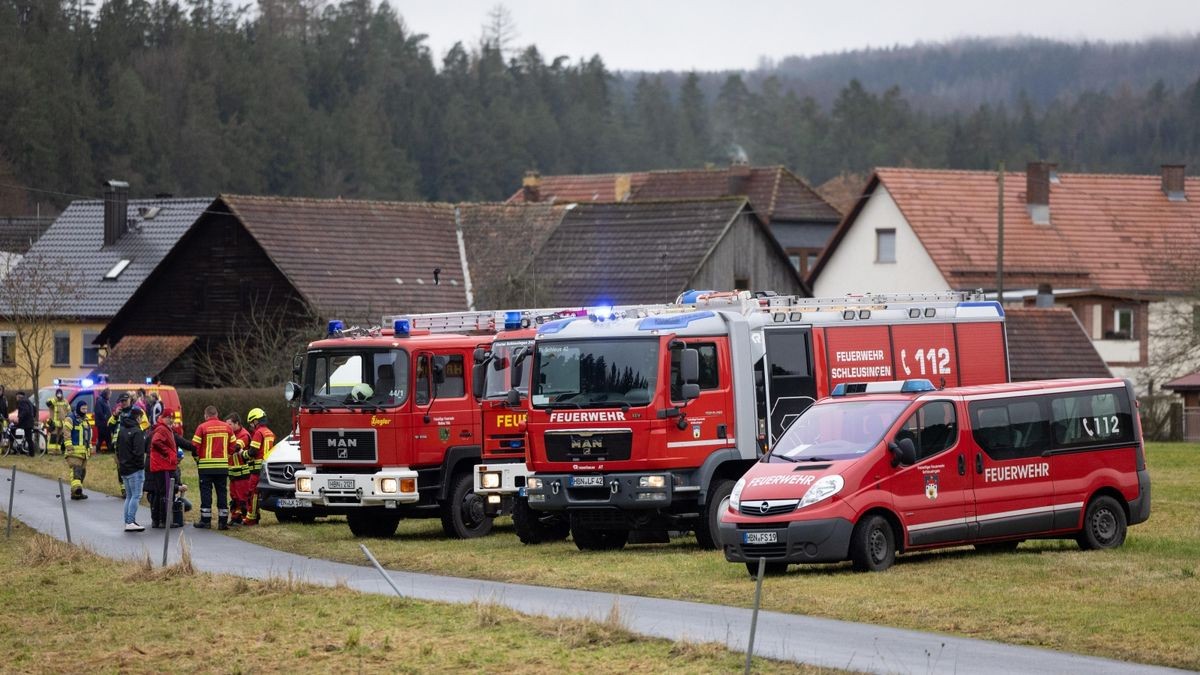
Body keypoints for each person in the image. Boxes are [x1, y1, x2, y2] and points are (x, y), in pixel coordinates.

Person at [191, 405, 232, 530]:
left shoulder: (202, 427)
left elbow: (194, 447)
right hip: (222, 467)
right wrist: (226, 457)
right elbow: (233, 446)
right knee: (222, 493)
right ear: (217, 414)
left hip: (206, 467)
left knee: (206, 494)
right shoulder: (227, 427)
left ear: (206, 415)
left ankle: (206, 521)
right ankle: (223, 522)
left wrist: (198, 460)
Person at [147, 407, 179, 529]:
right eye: (168, 417)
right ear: (163, 417)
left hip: (160, 465)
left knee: (159, 493)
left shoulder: (164, 428)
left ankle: (156, 520)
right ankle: (164, 520)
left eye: (172, 418)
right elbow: (156, 442)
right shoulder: (162, 429)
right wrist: (168, 453)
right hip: (163, 466)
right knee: (165, 494)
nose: (171, 420)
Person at [243, 407, 275, 526]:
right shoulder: (270, 433)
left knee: (253, 493)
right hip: (266, 468)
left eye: (251, 423)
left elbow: (253, 452)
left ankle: (252, 518)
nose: (251, 426)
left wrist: (243, 454)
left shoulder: (258, 433)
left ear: (256, 421)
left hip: (257, 468)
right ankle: (255, 515)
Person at [116, 408, 147, 532]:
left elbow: (117, 449)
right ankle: (130, 521)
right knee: (136, 495)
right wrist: (141, 467)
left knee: (129, 496)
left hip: (124, 468)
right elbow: (139, 453)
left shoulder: (122, 430)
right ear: (138, 417)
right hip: (135, 469)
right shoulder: (137, 432)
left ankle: (127, 521)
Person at [225, 413, 251, 526]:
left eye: (230, 424)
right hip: (233, 473)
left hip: (243, 474)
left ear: (237, 424)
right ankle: (235, 517)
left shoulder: (244, 435)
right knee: (234, 497)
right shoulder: (230, 434)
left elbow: (236, 447)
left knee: (243, 497)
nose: (227, 427)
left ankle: (245, 517)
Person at [64, 401, 91, 499]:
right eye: (83, 409)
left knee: (82, 472)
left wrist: (90, 448)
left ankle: (76, 493)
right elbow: (66, 433)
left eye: (86, 409)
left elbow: (88, 435)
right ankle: (76, 489)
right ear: (78, 408)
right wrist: (69, 446)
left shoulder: (86, 420)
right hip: (73, 451)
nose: (84, 411)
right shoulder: (70, 418)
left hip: (84, 452)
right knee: (76, 470)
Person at [46, 388, 70, 454]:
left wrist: (67, 419)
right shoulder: (53, 400)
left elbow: (68, 410)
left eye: (60, 393)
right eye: (58, 393)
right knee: (53, 436)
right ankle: (51, 451)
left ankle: (57, 450)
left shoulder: (65, 401)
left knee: (60, 437)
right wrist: (56, 398)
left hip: (62, 423)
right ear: (56, 394)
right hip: (54, 423)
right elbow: (48, 404)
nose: (59, 395)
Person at [14, 391, 36, 456]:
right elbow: (34, 409)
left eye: (16, 397)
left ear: (19, 396)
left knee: (28, 438)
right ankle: (23, 449)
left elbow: (25, 410)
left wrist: (19, 417)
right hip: (29, 421)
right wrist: (32, 416)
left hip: (26, 422)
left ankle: (31, 454)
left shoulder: (22, 401)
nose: (16, 398)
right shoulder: (27, 400)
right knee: (28, 437)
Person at [93, 389, 112, 454]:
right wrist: (105, 419)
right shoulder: (100, 401)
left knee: (103, 438)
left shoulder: (105, 401)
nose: (110, 396)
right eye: (109, 394)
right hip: (102, 424)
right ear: (106, 394)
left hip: (105, 423)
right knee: (106, 437)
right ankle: (108, 449)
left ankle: (104, 449)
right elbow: (99, 412)